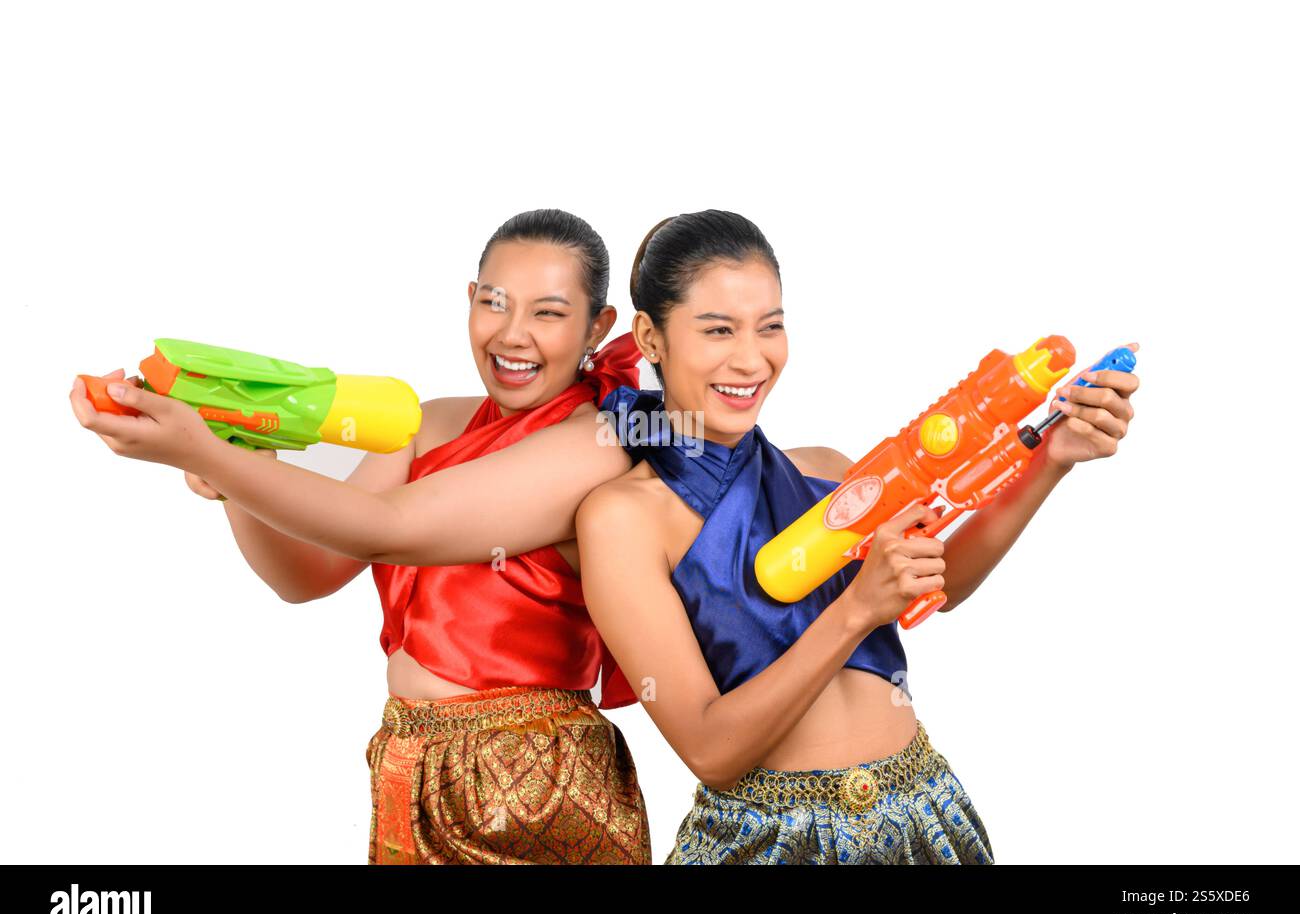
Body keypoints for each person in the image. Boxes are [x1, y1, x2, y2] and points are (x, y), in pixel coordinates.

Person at [69, 209, 653, 865]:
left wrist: (210, 455)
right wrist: (242, 458)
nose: (512, 335)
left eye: (548, 313)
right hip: (407, 761)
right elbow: (305, 574)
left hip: (534, 782)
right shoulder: (431, 423)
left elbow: (390, 531)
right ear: (469, 302)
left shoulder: (596, 443)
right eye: (494, 305)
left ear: (597, 327)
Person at [577, 210, 1140, 864]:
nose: (751, 357)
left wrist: (1053, 457)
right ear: (649, 335)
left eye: (771, 327)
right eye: (718, 330)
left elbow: (942, 583)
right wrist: (856, 611)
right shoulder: (622, 518)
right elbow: (711, 750)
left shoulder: (826, 471)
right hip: (768, 842)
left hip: (926, 815)